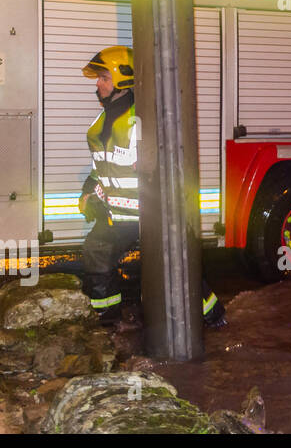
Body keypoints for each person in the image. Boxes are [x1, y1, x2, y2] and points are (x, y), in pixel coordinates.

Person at [78, 45, 226, 327]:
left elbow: (165, 167)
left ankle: (213, 318)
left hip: (153, 213)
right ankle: (107, 320)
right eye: (98, 78)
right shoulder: (101, 122)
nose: (98, 83)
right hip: (118, 216)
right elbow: (102, 168)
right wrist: (89, 193)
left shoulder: (143, 118)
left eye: (103, 77)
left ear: (123, 78)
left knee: (175, 267)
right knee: (96, 250)